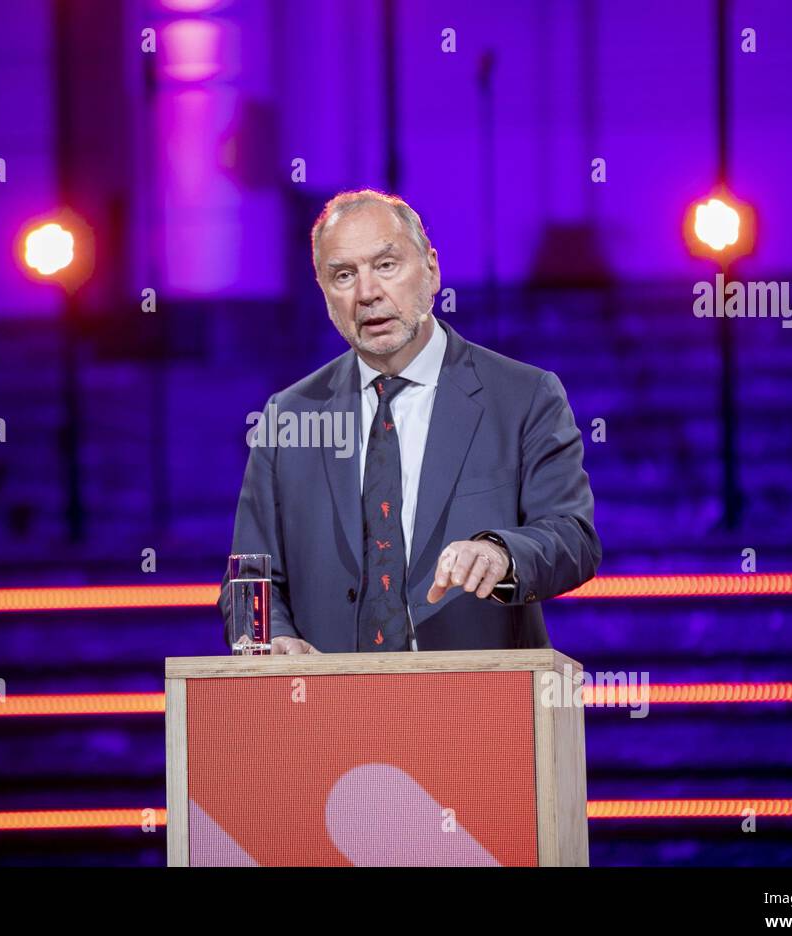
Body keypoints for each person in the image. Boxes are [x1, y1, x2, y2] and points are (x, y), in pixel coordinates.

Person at [219, 188, 601, 654]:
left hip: (478, 708)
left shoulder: (523, 396)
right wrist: (272, 636)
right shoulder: (289, 416)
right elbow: (248, 581)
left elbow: (573, 540)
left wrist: (500, 553)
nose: (367, 293)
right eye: (343, 275)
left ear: (432, 269)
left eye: (386, 265)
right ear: (324, 293)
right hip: (328, 712)